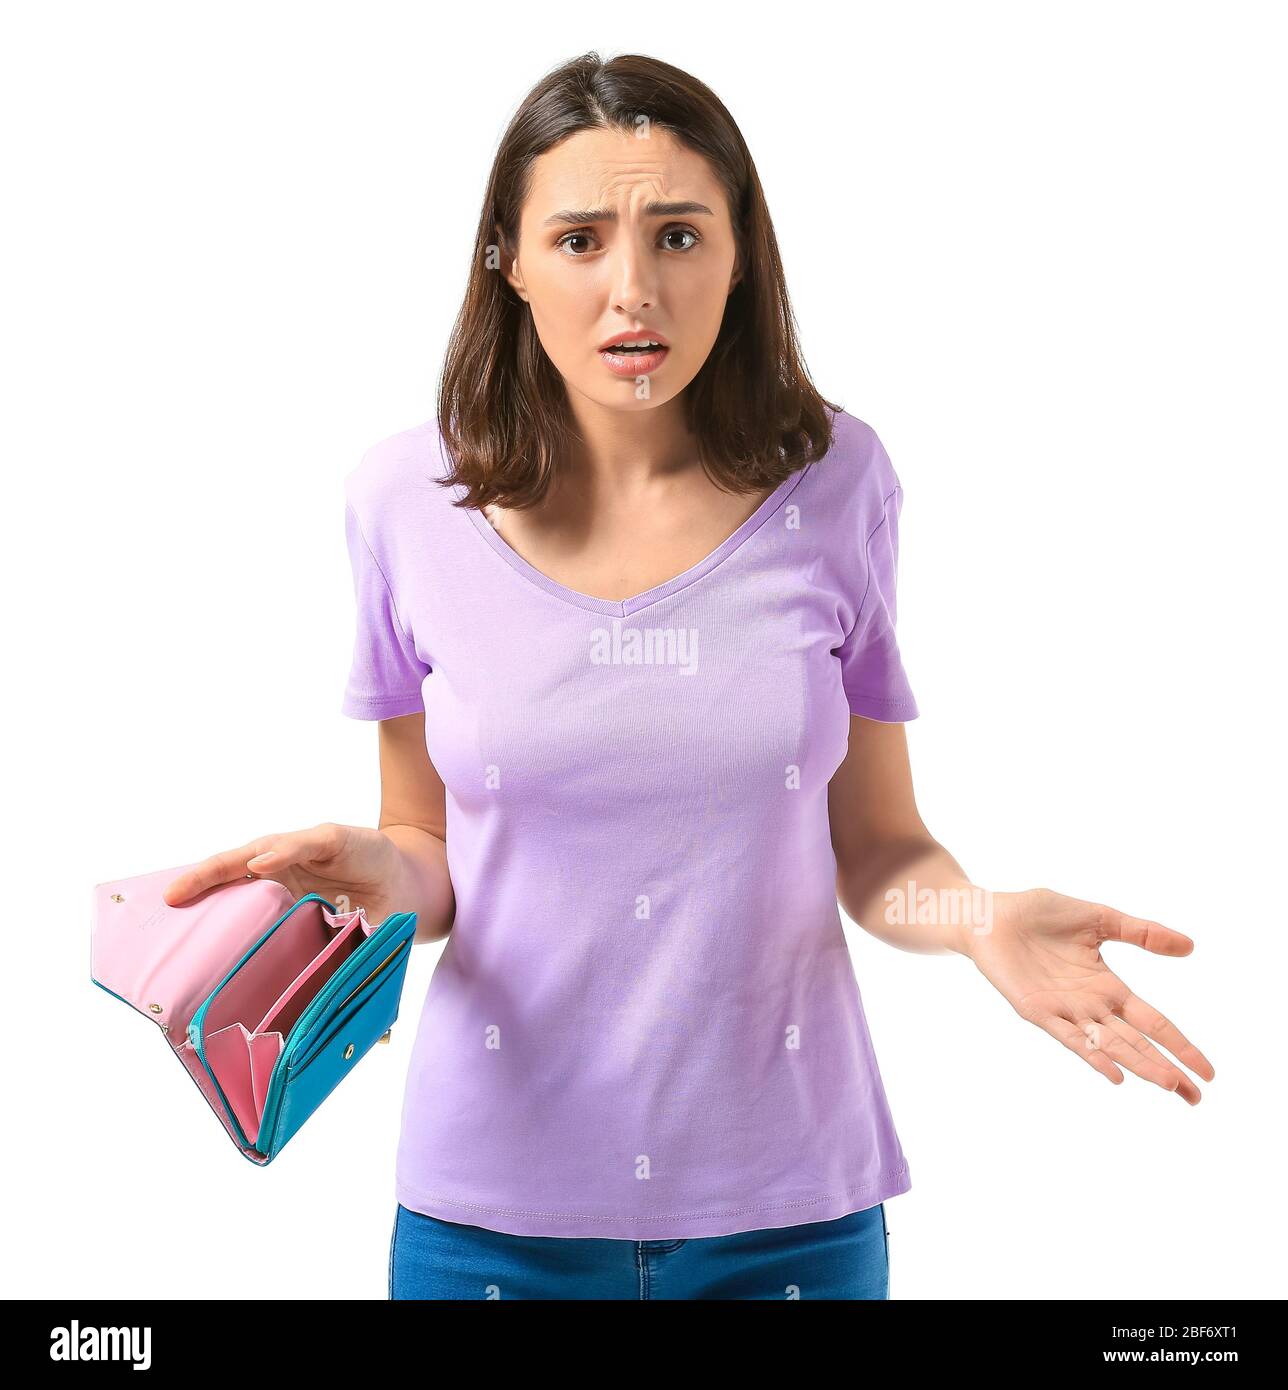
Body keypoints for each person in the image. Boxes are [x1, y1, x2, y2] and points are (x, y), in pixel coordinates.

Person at [163, 52, 1214, 1301]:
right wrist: (376, 870)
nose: (632, 291)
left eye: (675, 235)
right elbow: (429, 849)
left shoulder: (840, 484)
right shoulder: (403, 501)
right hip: (488, 1218)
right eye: (577, 238)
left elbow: (874, 848)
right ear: (506, 259)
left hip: (789, 1216)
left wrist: (974, 917)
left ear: (739, 252)